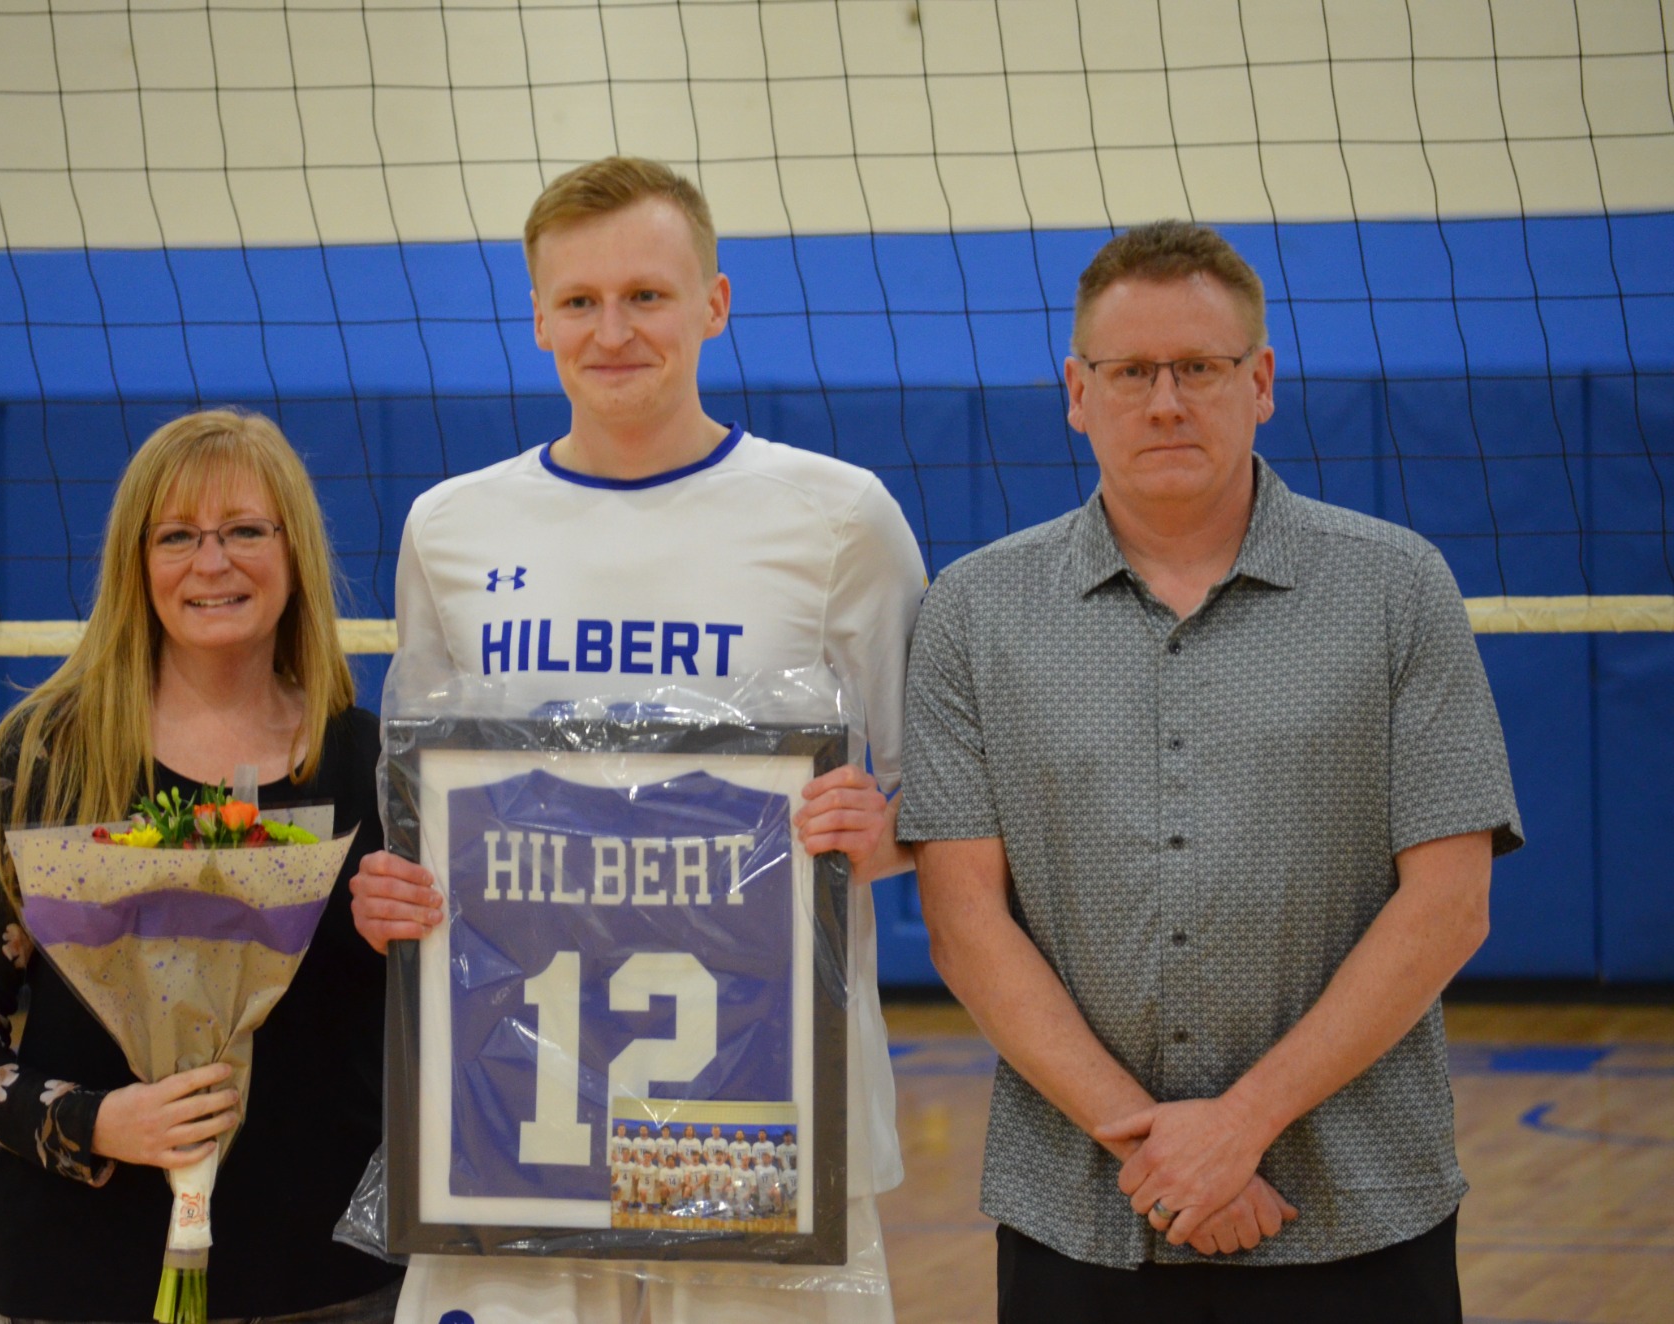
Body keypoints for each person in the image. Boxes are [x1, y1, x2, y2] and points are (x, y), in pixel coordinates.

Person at [899, 220, 1523, 1322]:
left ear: (1262, 379)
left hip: (1358, 1203)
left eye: (1198, 366)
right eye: (1129, 370)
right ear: (1074, 391)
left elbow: (1448, 903)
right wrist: (1156, 1153)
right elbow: (961, 920)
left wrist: (1235, 1126)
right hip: (1079, 1215)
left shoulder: (1395, 589)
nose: (1165, 401)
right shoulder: (974, 611)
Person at [349, 155, 925, 1323]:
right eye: (578, 301)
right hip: (509, 1114)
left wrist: (885, 833)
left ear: (714, 303)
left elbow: (933, 805)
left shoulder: (838, 519)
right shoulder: (451, 528)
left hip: (764, 1115)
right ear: (537, 318)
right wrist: (395, 894)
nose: (611, 330)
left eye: (647, 296)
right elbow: (428, 808)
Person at [0, 409, 403, 1323]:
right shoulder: (42, 763)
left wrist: (408, 943)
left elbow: (440, 1034)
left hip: (329, 1281)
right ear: (137, 563)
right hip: (86, 1274)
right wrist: (98, 1123)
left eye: (246, 531)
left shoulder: (373, 768)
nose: (211, 563)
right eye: (177, 536)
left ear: (295, 552)